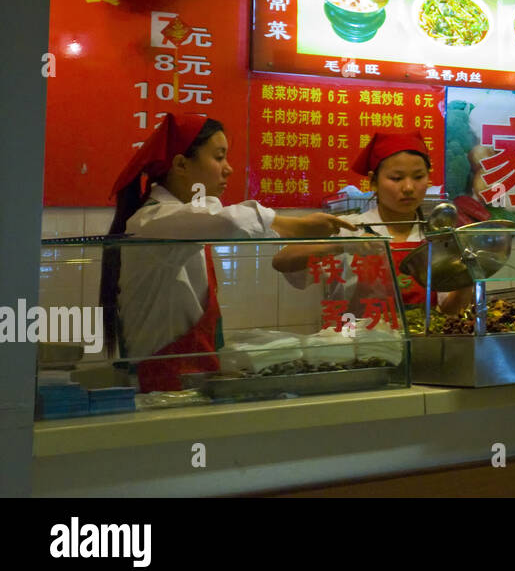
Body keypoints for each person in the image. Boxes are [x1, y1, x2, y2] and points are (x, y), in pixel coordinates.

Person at [105, 114, 356, 391]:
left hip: (191, 383)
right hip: (157, 387)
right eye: (218, 157)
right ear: (180, 164)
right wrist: (298, 226)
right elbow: (230, 221)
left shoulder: (188, 223)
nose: (229, 169)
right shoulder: (151, 221)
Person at [273, 130, 472, 315]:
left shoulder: (437, 235)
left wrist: (469, 278)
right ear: (373, 181)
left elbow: (448, 311)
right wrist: (342, 245)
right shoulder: (350, 228)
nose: (409, 187)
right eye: (396, 178)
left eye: (419, 176)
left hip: (421, 346)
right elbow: (282, 260)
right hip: (356, 345)